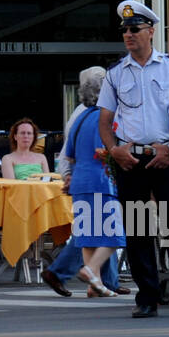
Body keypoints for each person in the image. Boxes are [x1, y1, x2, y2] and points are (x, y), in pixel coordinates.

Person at [98, 0, 169, 318]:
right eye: (124, 30)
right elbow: (104, 121)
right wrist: (114, 150)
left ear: (151, 31)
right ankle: (146, 299)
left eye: (134, 29)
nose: (128, 35)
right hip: (131, 161)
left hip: (164, 158)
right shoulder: (115, 73)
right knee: (138, 233)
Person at [43, 67, 126, 297]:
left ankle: (95, 284)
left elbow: (68, 153)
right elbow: (105, 151)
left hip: (79, 181)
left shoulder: (79, 118)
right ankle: (90, 271)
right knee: (115, 234)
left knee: (88, 236)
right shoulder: (106, 117)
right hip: (102, 180)